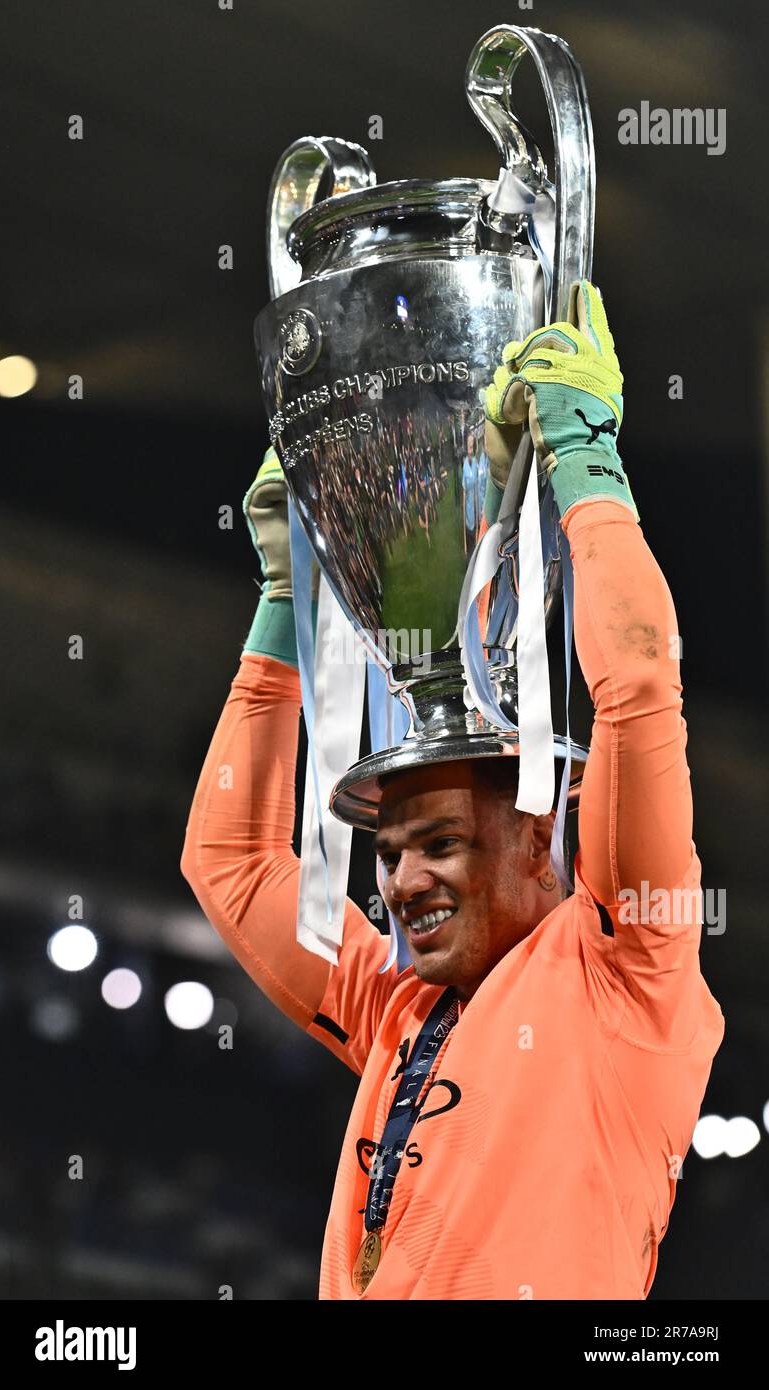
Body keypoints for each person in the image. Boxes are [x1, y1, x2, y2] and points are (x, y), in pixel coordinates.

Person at [181, 281, 724, 1300]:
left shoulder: (626, 968)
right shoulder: (397, 1005)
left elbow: (639, 684)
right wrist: (284, 608)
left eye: (435, 842)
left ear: (536, 830)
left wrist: (583, 456)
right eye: (387, 854)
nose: (399, 883)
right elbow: (231, 860)